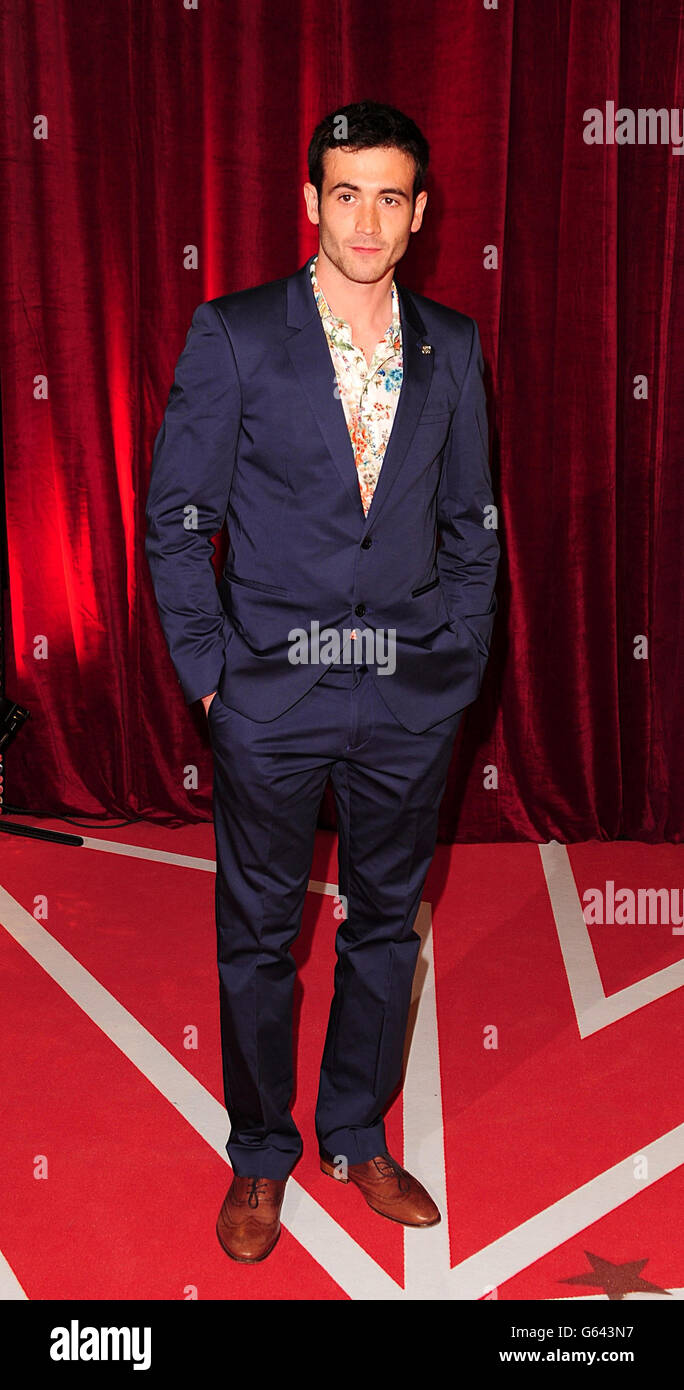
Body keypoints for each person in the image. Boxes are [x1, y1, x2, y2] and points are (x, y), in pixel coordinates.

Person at [145, 99, 500, 1264]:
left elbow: (472, 529)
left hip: (409, 697)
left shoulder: (453, 344)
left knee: (387, 926)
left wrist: (453, 670)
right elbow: (175, 522)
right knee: (257, 933)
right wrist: (213, 683)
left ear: (420, 213)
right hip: (271, 698)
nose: (367, 217)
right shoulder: (237, 333)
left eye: (390, 195)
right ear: (311, 202)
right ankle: (260, 1151)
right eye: (345, 192)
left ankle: (355, 1129)